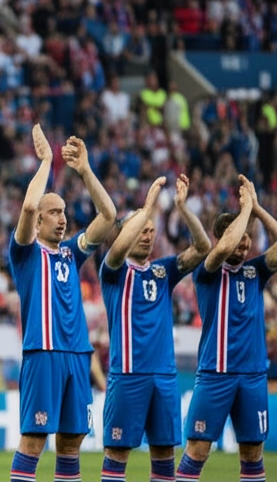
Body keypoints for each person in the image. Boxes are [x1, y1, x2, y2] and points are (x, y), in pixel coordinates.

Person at [7, 125, 117, 482]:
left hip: (77, 354)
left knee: (71, 444)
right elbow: (28, 205)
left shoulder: (70, 253)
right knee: (34, 440)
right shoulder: (25, 253)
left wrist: (85, 170)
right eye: (54, 212)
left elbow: (108, 216)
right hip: (43, 353)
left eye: (64, 211)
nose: (62, 218)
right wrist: (45, 163)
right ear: (39, 220)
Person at [98, 174, 211, 481]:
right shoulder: (113, 271)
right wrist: (147, 207)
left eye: (150, 230)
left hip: (164, 376)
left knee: (164, 457)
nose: (147, 235)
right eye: (141, 230)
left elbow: (203, 248)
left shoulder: (163, 271)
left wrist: (183, 209)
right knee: (117, 455)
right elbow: (117, 249)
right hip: (128, 375)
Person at [178, 175, 275, 482]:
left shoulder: (255, 271)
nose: (245, 243)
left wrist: (256, 209)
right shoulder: (207, 270)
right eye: (240, 236)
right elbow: (224, 248)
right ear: (221, 237)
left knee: (253, 454)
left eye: (248, 237)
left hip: (252, 375)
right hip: (215, 374)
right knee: (197, 450)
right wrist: (244, 212)